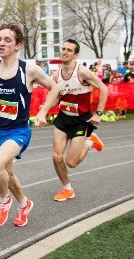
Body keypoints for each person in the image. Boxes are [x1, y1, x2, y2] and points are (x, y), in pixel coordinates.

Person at [0, 23, 55, 228]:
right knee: (8, 175)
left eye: (7, 40)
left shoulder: (28, 69)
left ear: (18, 45)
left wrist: (43, 111)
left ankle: (4, 201)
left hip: (18, 131)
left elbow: (55, 88)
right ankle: (24, 203)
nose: (1, 43)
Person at [34, 39, 107, 202]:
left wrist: (98, 114)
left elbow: (104, 88)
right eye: (63, 49)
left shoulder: (82, 72)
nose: (64, 52)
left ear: (76, 54)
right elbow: (57, 98)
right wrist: (44, 110)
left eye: (69, 50)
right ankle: (67, 188)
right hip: (63, 119)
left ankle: (89, 142)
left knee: (72, 162)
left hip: (81, 121)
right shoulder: (56, 75)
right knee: (56, 156)